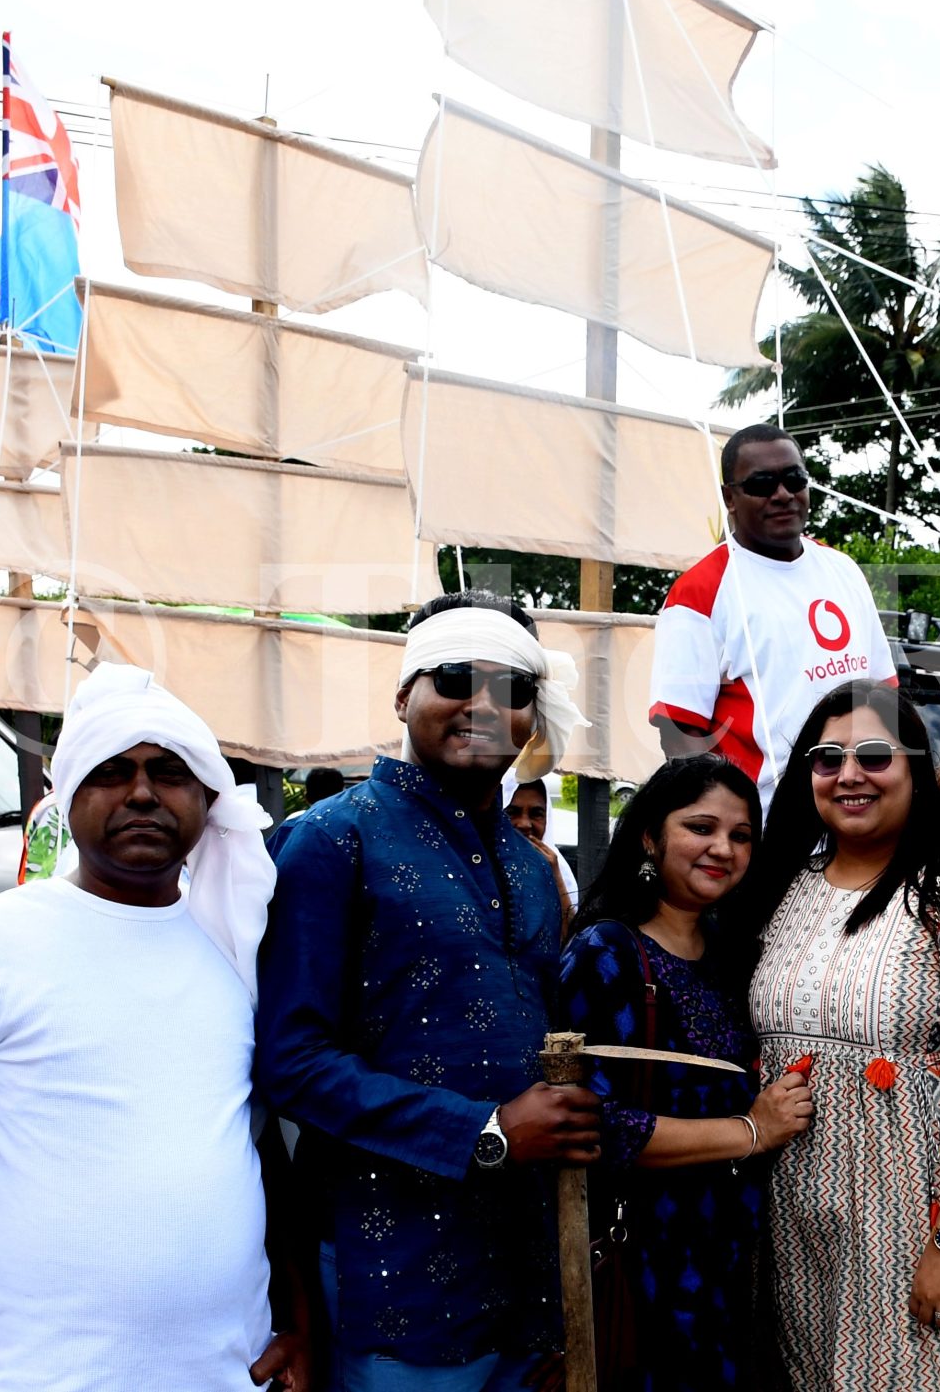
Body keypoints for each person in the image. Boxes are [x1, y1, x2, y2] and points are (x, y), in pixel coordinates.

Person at [0, 663, 308, 1392]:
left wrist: (301, 1324)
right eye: (111, 771)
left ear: (207, 797)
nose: (141, 792)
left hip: (234, 1377)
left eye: (168, 772)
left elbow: (259, 1146)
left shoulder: (236, 944)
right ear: (68, 792)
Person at [259, 590, 604, 1389]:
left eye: (513, 688)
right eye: (455, 677)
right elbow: (292, 1061)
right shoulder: (327, 838)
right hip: (398, 1276)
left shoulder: (534, 867)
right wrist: (485, 1130)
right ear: (403, 693)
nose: (484, 705)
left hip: (524, 1277)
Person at [739, 680, 940, 1391]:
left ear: (914, 769)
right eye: (827, 756)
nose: (849, 773)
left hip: (912, 1224)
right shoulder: (780, 890)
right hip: (790, 1225)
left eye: (874, 755)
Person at [557, 754, 817, 1389]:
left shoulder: (736, 954)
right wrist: (750, 1132)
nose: (722, 849)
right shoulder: (608, 951)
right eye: (700, 828)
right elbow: (591, 1122)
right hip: (644, 1256)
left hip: (731, 1260)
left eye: (740, 836)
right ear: (650, 836)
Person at [645, 423, 897, 812]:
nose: (783, 495)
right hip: (766, 828)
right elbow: (681, 733)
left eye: (794, 479)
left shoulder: (843, 569)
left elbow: (884, 695)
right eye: (762, 484)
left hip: (857, 814)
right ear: (729, 497)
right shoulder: (699, 593)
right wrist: (727, 825)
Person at [507, 777, 579, 946]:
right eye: (512, 813)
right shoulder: (479, 865)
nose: (525, 824)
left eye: (536, 814)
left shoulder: (557, 866)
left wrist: (555, 877)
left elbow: (573, 941)